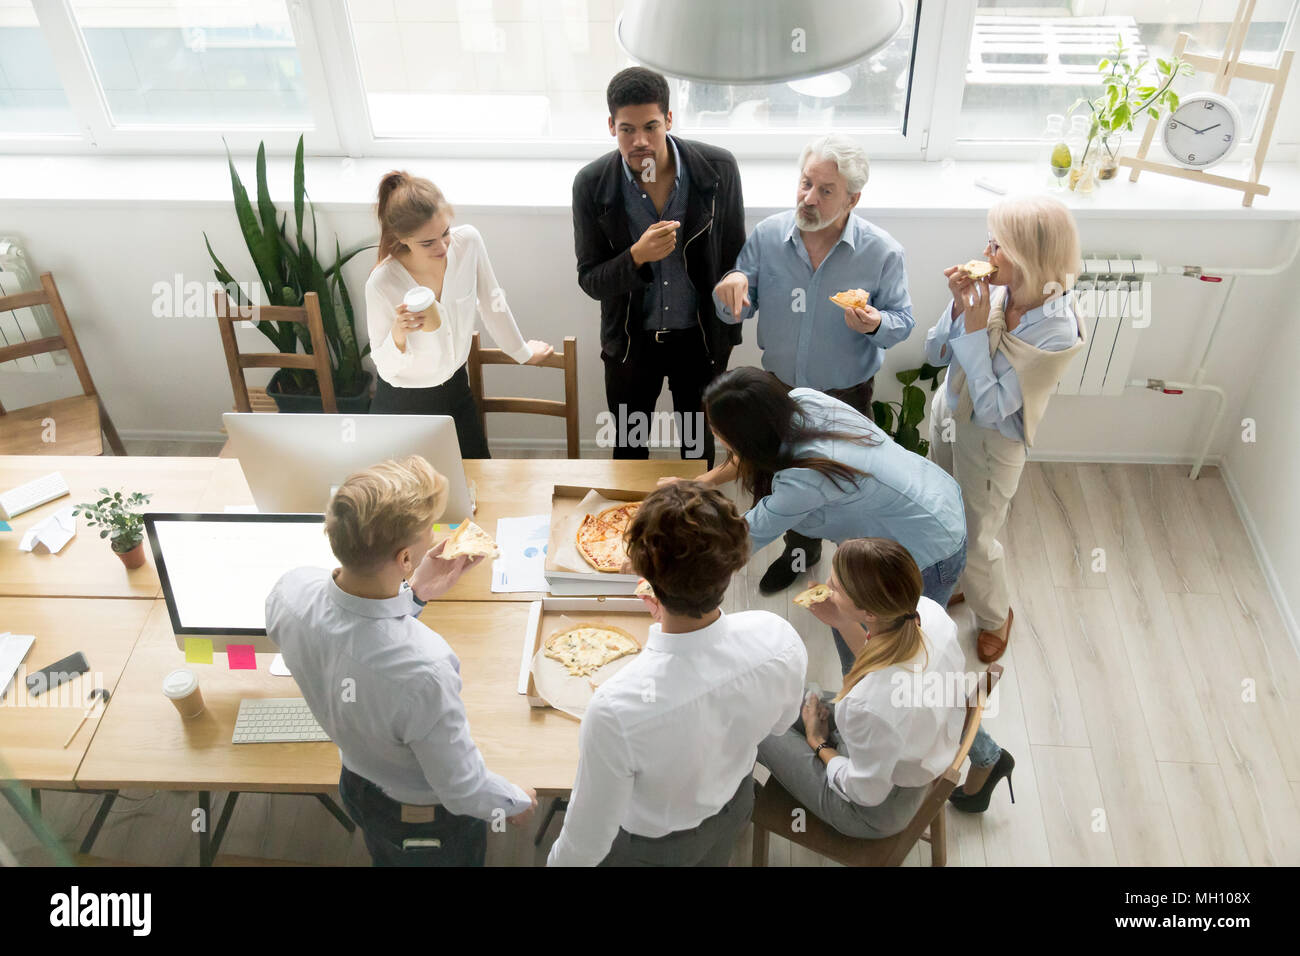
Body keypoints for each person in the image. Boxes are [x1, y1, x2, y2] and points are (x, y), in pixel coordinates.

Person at [265, 456, 538, 866]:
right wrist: (514, 801)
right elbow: (461, 789)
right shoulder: (424, 669)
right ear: (405, 558)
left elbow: (354, 639)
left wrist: (414, 592)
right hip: (424, 819)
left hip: (356, 786)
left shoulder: (289, 590)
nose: (433, 537)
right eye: (428, 532)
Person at [547, 481, 808, 866]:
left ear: (640, 568)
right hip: (734, 808)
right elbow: (780, 724)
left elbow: (584, 846)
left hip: (650, 849)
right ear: (733, 563)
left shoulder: (614, 709)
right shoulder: (779, 638)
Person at [712, 134, 914, 594]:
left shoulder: (882, 253)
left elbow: (902, 322)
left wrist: (875, 322)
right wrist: (732, 290)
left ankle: (854, 570)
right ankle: (800, 551)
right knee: (779, 480)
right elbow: (738, 304)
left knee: (844, 485)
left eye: (825, 191)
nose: (809, 198)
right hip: (778, 388)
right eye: (806, 183)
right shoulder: (767, 237)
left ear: (853, 199)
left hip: (845, 395)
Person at [685, 366, 967, 676]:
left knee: (886, 662)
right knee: (850, 620)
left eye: (716, 428)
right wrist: (701, 482)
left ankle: (855, 703)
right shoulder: (801, 401)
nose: (713, 432)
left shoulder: (803, 480)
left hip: (925, 548)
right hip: (933, 495)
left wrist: (667, 564)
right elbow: (754, 456)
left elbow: (744, 539)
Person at [924, 195, 1085, 664]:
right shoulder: (994, 290)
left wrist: (973, 332)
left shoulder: (1056, 329)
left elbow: (994, 407)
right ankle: (955, 581)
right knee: (942, 512)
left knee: (977, 539)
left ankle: (995, 616)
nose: (987, 252)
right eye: (989, 241)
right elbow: (936, 354)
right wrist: (957, 311)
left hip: (992, 443)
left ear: (1031, 257)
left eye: (999, 245)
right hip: (948, 413)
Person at [758, 538, 1013, 833]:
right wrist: (842, 622)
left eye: (836, 587)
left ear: (870, 614)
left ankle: (731, 809)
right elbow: (887, 665)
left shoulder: (867, 706)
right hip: (907, 748)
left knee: (753, 723)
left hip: (874, 810)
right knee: (773, 694)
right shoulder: (929, 613)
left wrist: (819, 743)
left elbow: (864, 792)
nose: (824, 587)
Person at [572, 67, 746, 465]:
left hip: (698, 343)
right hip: (632, 348)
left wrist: (733, 310)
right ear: (611, 126)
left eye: (651, 126)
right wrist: (636, 256)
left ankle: (691, 529)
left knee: (695, 450)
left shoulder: (718, 170)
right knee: (630, 453)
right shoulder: (591, 184)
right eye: (626, 130)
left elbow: (737, 255)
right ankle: (629, 529)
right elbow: (590, 280)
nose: (640, 141)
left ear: (669, 119)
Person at [365, 171, 553, 459]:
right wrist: (399, 333)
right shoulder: (382, 283)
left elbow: (492, 302)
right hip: (404, 402)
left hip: (455, 391)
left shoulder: (468, 244)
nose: (442, 247)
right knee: (409, 500)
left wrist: (522, 352)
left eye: (445, 233)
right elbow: (386, 368)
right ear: (402, 238)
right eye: (428, 243)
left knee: (478, 485)